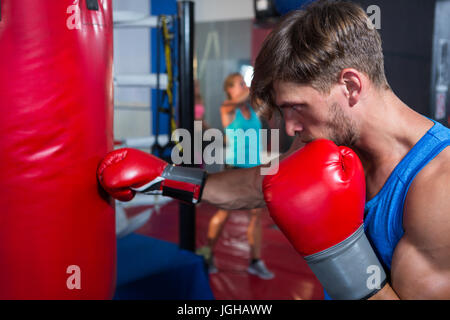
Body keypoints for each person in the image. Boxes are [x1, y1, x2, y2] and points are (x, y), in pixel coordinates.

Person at [97, 0, 450, 299]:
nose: (291, 127)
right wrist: (163, 178)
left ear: (351, 86)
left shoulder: (438, 187)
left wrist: (341, 253)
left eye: (297, 107)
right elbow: (258, 184)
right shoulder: (334, 137)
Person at [197, 73, 274, 279]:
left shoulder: (251, 108)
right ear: (229, 89)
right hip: (234, 167)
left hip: (254, 167)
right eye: (239, 83)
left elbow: (265, 100)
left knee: (256, 215)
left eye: (244, 82)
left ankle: (255, 261)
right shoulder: (227, 108)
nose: (244, 86)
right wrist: (253, 88)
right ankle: (208, 253)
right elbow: (247, 96)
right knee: (223, 213)